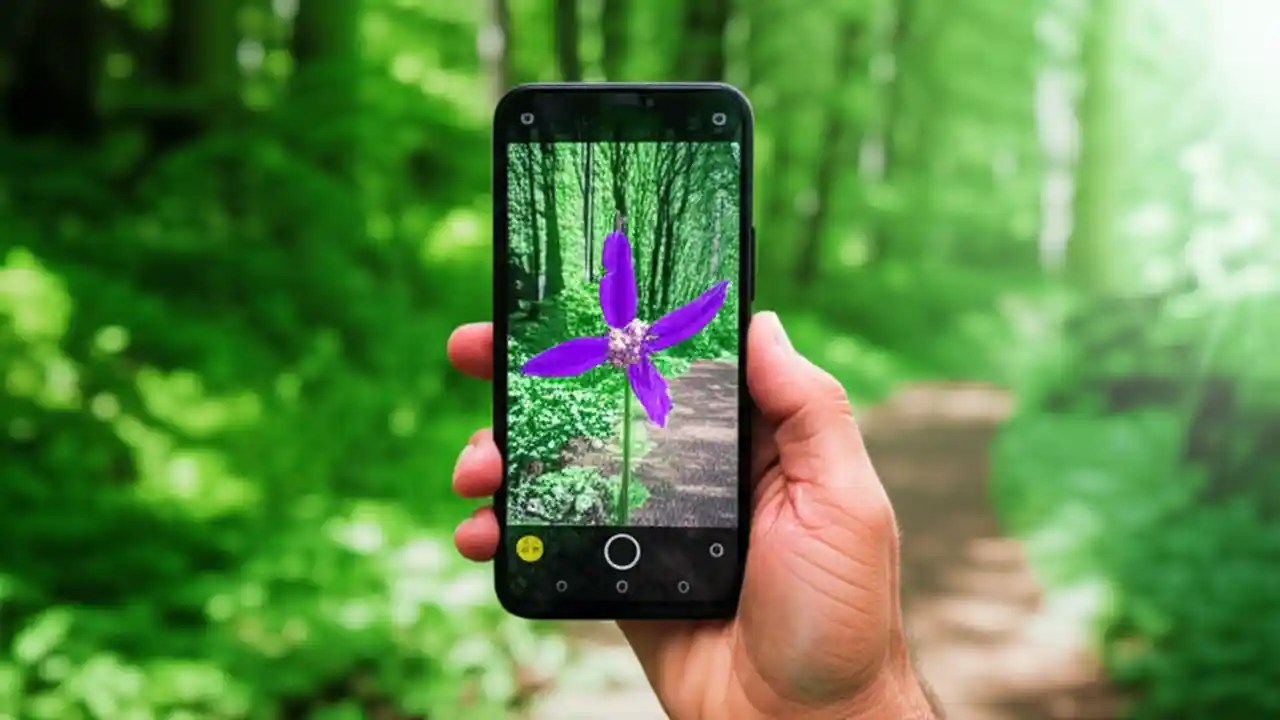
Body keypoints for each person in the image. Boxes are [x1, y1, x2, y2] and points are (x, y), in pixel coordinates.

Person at [447, 312, 943, 720]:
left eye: (634, 337)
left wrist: (853, 703)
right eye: (622, 338)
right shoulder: (603, 352)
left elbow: (688, 322)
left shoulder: (647, 361)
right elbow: (552, 361)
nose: (628, 341)